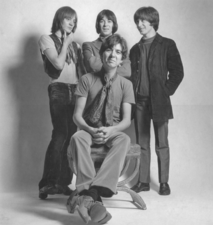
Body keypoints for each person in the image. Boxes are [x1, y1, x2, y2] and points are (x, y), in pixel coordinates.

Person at [67, 34, 135, 224]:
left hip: (112, 129)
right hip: (89, 127)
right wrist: (90, 129)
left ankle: (92, 194)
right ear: (102, 53)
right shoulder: (86, 79)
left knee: (125, 139)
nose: (113, 54)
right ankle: (91, 195)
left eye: (118, 52)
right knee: (77, 138)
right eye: (108, 49)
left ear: (122, 59)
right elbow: (77, 116)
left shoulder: (126, 85)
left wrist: (111, 131)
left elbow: (127, 120)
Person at [129, 7, 184, 195]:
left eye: (143, 20)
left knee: (162, 143)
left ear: (153, 21)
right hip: (140, 103)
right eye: (137, 21)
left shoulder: (167, 44)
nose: (139, 24)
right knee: (141, 143)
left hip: (159, 101)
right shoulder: (134, 49)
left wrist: (165, 91)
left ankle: (163, 182)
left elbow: (177, 72)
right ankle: (143, 181)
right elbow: (130, 77)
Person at [38, 6, 86, 200]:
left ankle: (63, 183)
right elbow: (58, 64)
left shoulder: (75, 45)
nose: (71, 23)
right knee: (60, 134)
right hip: (58, 88)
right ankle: (47, 183)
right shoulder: (46, 39)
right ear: (59, 19)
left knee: (71, 137)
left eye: (74, 20)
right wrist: (67, 41)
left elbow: (80, 71)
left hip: (75, 90)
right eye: (68, 19)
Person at [82, 9, 131, 77]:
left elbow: (127, 71)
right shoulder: (88, 45)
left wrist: (98, 63)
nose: (105, 24)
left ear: (113, 24)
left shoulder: (121, 45)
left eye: (109, 21)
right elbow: (92, 66)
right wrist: (116, 66)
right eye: (102, 21)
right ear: (98, 24)